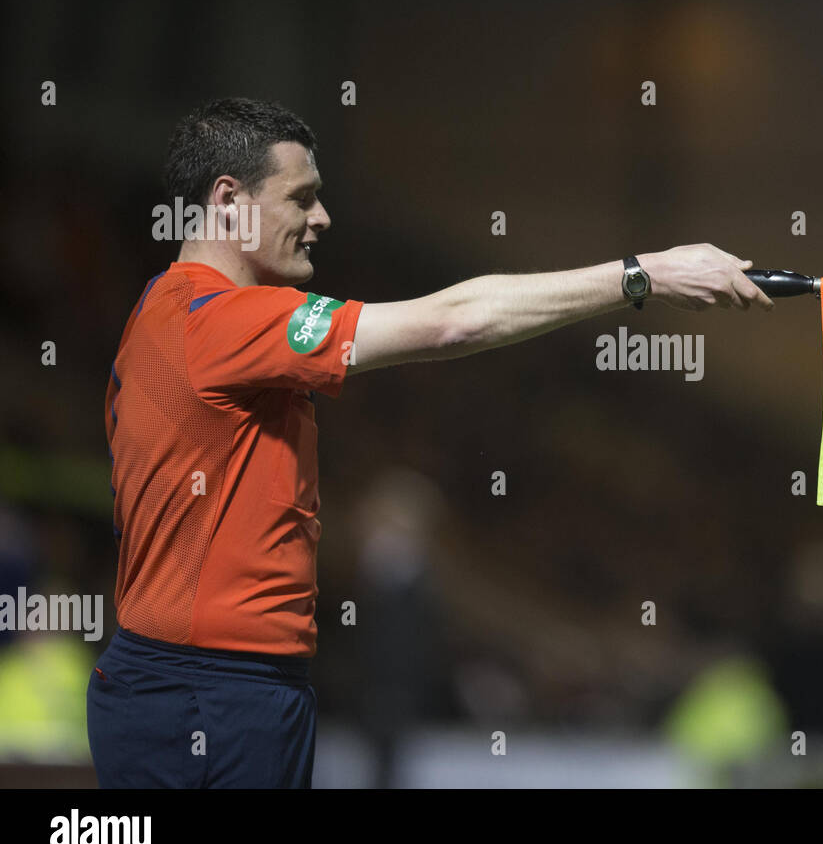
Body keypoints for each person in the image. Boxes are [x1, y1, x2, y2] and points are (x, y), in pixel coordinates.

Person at [89, 96, 773, 788]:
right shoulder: (221, 322)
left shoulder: (167, 312)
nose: (321, 219)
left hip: (215, 684)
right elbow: (455, 322)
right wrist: (644, 274)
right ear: (229, 199)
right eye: (302, 198)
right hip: (209, 691)